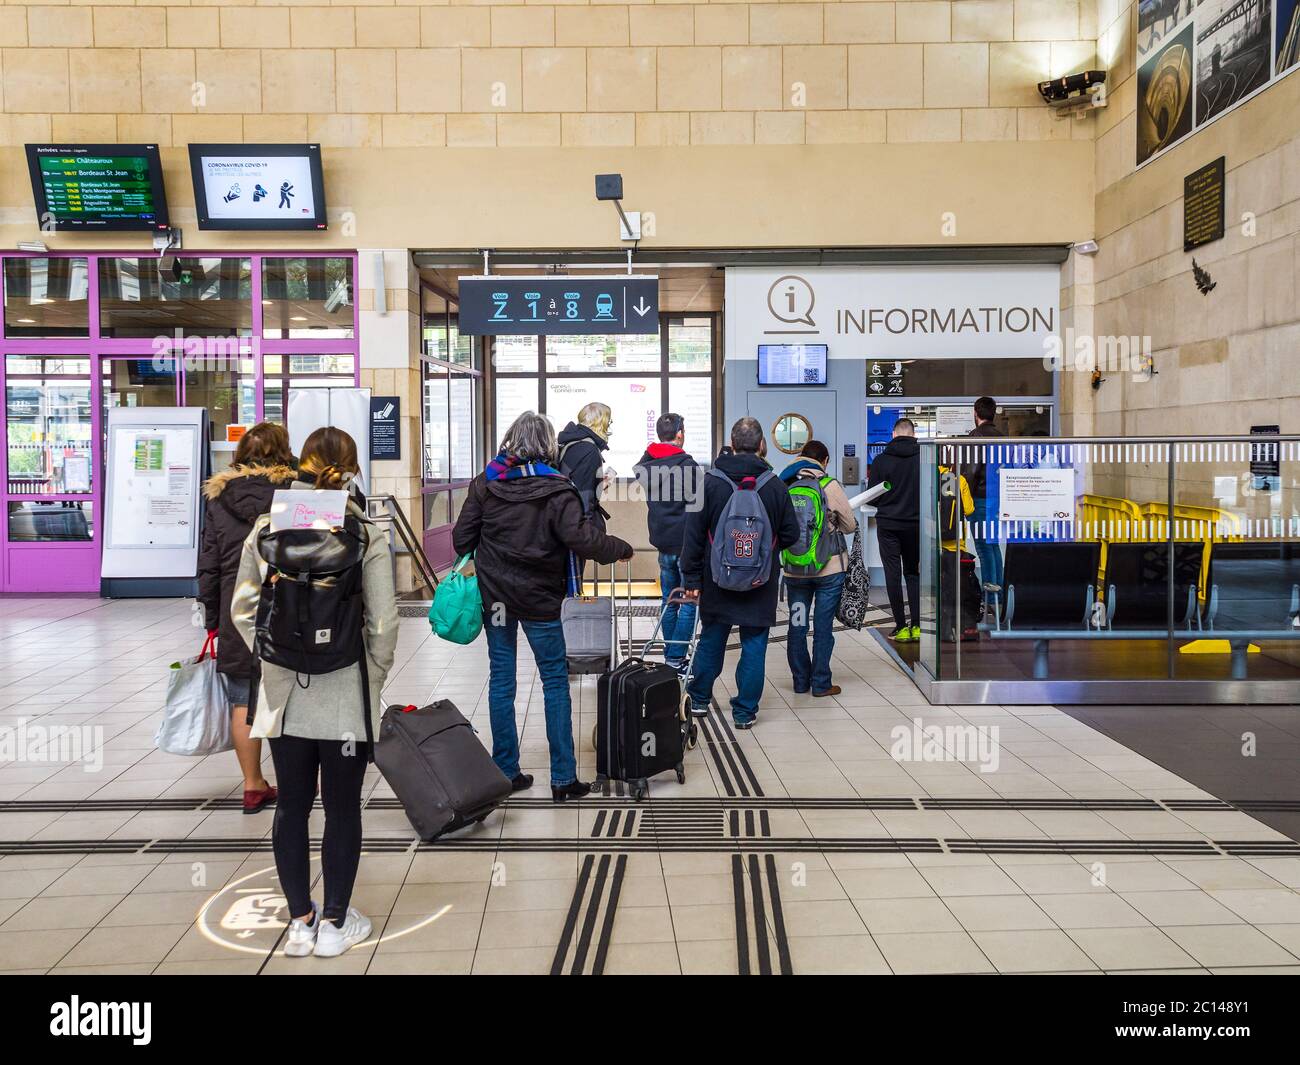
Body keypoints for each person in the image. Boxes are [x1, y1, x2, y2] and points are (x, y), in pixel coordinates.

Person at [231, 426, 398, 959]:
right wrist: (371, 673)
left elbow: (242, 610)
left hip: (284, 696)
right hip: (347, 691)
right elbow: (385, 621)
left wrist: (274, 660)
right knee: (343, 807)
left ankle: (299, 922)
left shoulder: (266, 527)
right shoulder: (365, 531)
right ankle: (334, 922)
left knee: (292, 807)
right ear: (349, 469)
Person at [454, 411, 633, 802]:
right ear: (548, 445)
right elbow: (581, 539)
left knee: (501, 681)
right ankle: (563, 780)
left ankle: (506, 771)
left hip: (497, 598)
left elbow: (460, 538)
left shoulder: (486, 482)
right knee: (554, 681)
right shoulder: (558, 488)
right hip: (541, 599)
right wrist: (619, 548)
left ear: (509, 439)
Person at [196, 422, 296, 814]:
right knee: (288, 695)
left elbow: (208, 563)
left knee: (243, 697)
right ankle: (297, 779)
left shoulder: (218, 500)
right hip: (286, 603)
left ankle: (253, 785)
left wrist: (210, 616)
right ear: (283, 453)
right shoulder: (292, 494)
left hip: (235, 604)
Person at [680, 417, 799, 729]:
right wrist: (766, 551)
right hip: (761, 582)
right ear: (761, 446)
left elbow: (692, 535)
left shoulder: (708, 482)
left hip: (717, 579)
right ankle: (745, 712)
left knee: (712, 639)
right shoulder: (774, 485)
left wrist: (691, 578)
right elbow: (791, 534)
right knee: (754, 644)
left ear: (732, 445)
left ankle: (700, 700)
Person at [779, 440, 858, 696]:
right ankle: (821, 683)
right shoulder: (828, 485)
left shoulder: (786, 484)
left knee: (797, 624)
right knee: (823, 627)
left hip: (795, 572)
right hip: (828, 572)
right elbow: (849, 525)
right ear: (824, 461)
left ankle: (800, 681)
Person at [633, 413, 702, 673]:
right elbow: (699, 508)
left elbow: (641, 464)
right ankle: (675, 658)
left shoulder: (648, 467)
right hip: (686, 544)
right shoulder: (689, 466)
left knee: (668, 599)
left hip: (662, 542)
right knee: (688, 600)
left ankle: (672, 654)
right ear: (680, 433)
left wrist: (651, 450)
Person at [868, 418, 921, 643]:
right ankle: (917, 625)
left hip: (888, 525)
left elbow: (873, 494)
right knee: (913, 573)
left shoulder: (881, 460)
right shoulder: (923, 458)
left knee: (893, 574)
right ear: (914, 434)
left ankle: (900, 626)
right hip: (915, 525)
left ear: (893, 434)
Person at [558, 401, 613, 589]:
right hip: (574, 527)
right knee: (571, 588)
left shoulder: (568, 443)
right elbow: (583, 497)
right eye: (609, 422)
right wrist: (586, 536)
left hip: (560, 521)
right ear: (601, 423)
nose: (610, 426)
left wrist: (599, 484)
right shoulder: (589, 450)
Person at [967, 396, 1004, 596]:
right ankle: (1000, 593)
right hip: (997, 499)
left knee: (983, 548)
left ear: (976, 413)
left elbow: (971, 472)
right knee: (993, 546)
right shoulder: (1001, 436)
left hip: (979, 501)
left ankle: (991, 596)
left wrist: (964, 500)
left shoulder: (976, 436)